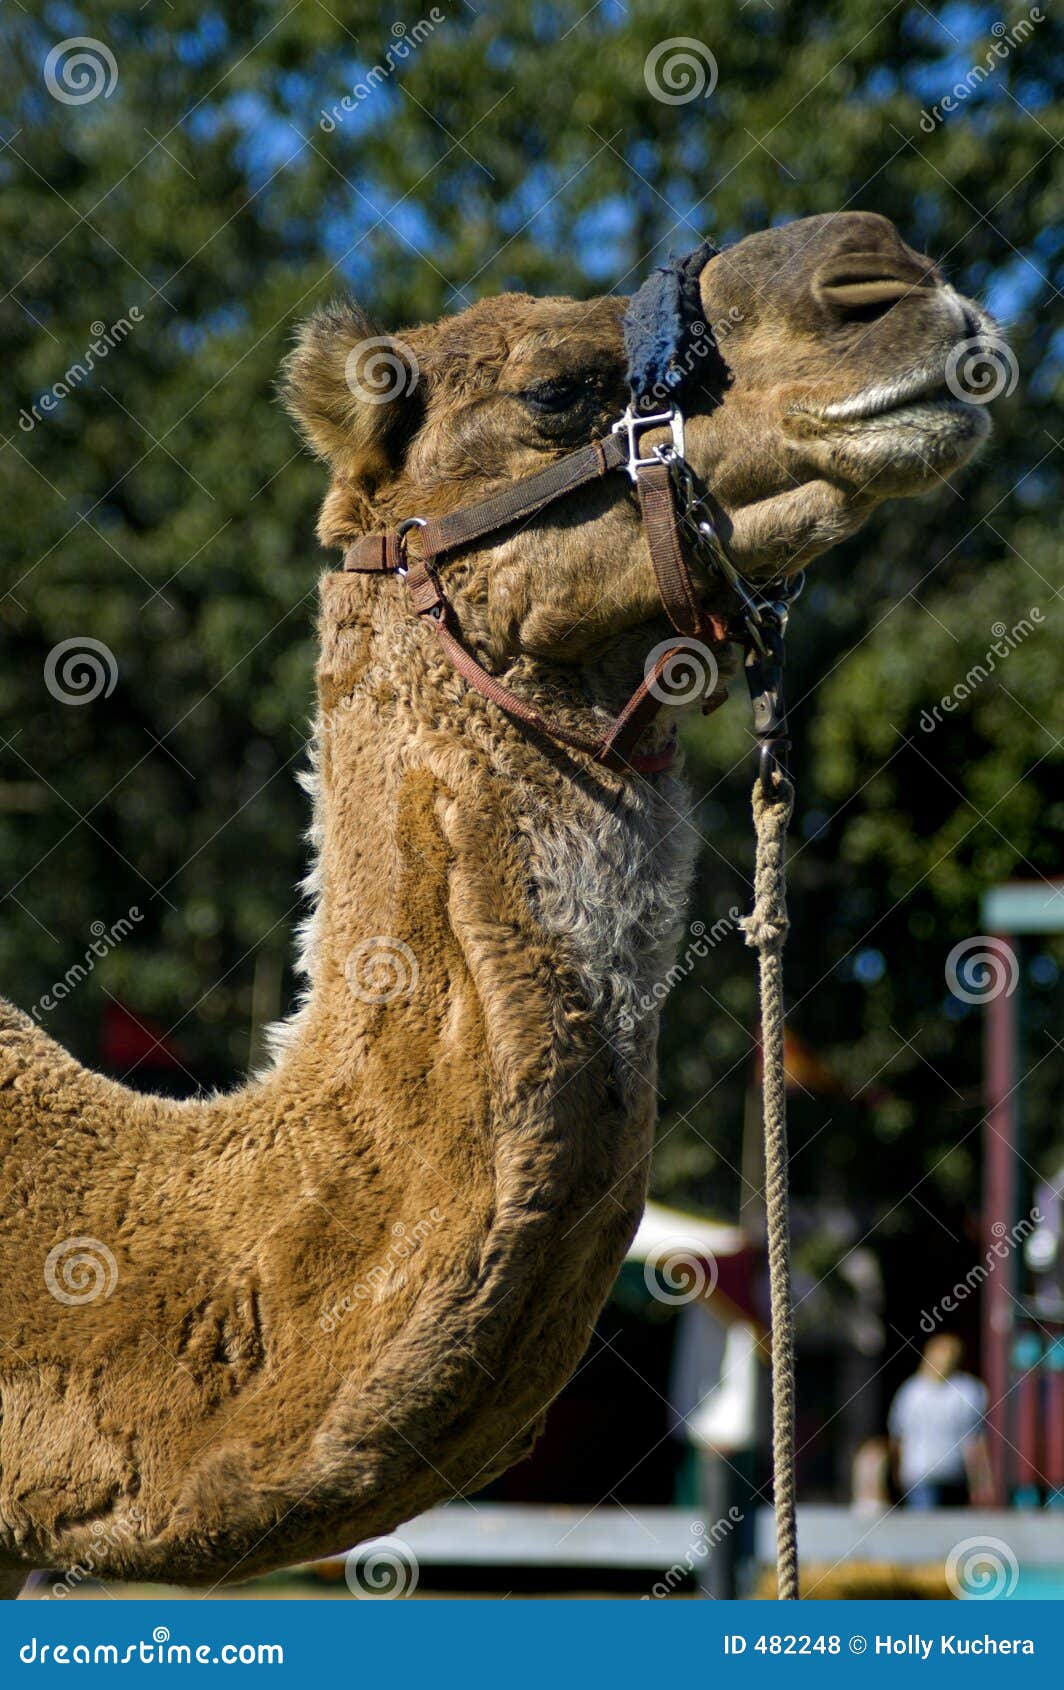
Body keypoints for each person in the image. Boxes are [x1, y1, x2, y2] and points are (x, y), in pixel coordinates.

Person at [888, 1334, 989, 1508]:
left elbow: (898, 1437)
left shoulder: (912, 1391)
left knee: (930, 1530)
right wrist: (982, 1481)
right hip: (929, 1473)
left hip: (939, 1473)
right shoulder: (914, 1392)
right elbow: (974, 1442)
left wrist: (980, 1481)